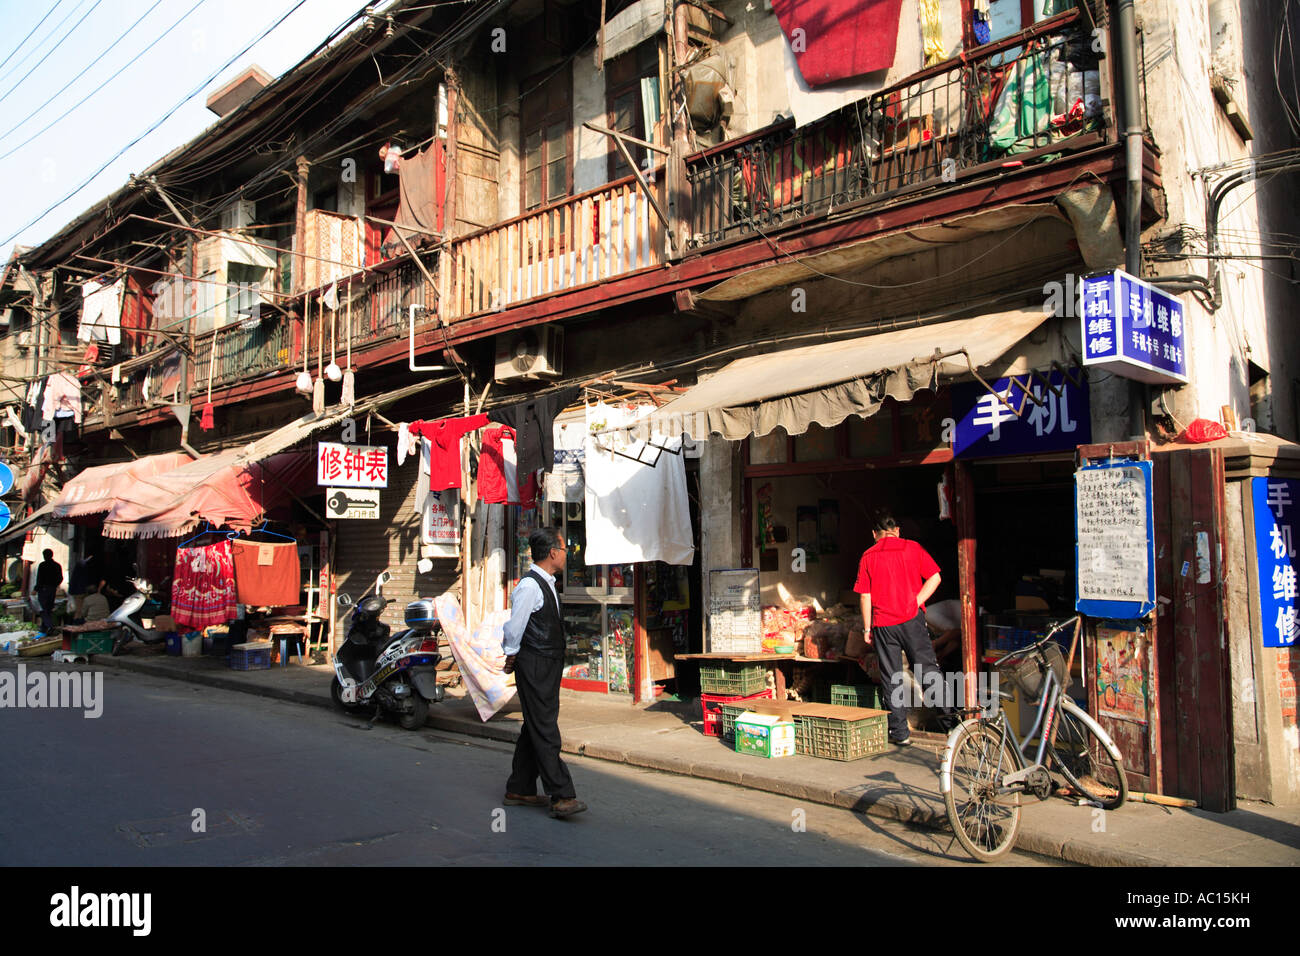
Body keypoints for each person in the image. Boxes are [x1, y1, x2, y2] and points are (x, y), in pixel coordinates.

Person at [500, 527, 587, 819]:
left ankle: (520, 787)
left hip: (545, 662)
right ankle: (562, 794)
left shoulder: (547, 582)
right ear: (552, 553)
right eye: (563, 549)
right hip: (535, 662)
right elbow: (515, 626)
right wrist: (511, 654)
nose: (565, 554)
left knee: (535, 724)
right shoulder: (530, 586)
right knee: (545, 727)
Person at [854, 508, 955, 745]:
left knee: (892, 677)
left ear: (874, 534)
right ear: (897, 531)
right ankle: (953, 727)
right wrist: (917, 601)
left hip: (883, 625)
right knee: (928, 672)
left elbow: (864, 596)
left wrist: (867, 628)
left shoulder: (868, 556)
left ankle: (899, 734)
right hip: (912, 620)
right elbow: (935, 577)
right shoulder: (913, 548)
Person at [35, 549, 63, 633]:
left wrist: (36, 589)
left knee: (42, 609)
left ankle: (49, 626)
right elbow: (60, 578)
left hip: (43, 589)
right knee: (49, 608)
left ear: (45, 556)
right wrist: (55, 585)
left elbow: (39, 579)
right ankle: (44, 627)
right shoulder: (57, 565)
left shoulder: (43, 565)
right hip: (52, 589)